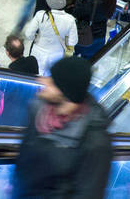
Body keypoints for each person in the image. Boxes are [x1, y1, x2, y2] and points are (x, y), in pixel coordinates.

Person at [13, 57, 112, 198]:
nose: (42, 81)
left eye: (53, 82)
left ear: (66, 93)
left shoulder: (95, 142)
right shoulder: (39, 109)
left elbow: (89, 193)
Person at [21, 0, 78, 76]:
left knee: (32, 74)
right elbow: (73, 42)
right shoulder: (70, 20)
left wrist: (36, 38)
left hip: (38, 51)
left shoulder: (41, 15)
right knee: (48, 78)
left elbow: (29, 34)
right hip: (56, 54)